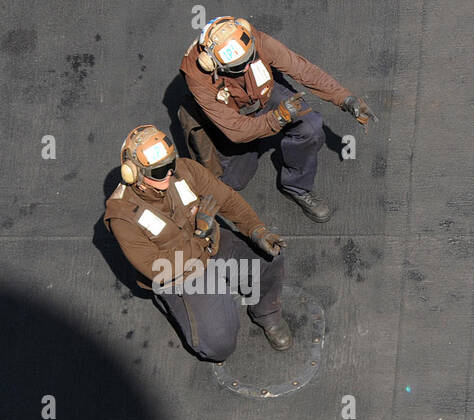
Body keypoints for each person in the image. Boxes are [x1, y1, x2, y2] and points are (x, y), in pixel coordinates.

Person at [104, 124, 289, 361]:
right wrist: (200, 237)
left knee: (269, 258)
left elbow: (227, 199)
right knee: (219, 346)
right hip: (178, 271)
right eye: (160, 172)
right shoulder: (123, 216)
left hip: (209, 242)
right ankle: (179, 301)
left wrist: (257, 230)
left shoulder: (185, 171)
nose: (169, 174)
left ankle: (268, 314)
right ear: (134, 175)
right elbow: (156, 268)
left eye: (170, 165)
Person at [179, 15, 376, 222]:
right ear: (213, 64)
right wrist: (278, 118)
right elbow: (237, 131)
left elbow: (301, 69)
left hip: (264, 94)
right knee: (233, 182)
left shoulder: (248, 36)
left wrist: (345, 98)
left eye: (249, 58)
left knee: (310, 127)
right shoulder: (197, 75)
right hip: (232, 115)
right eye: (238, 67)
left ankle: (295, 187)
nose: (246, 67)